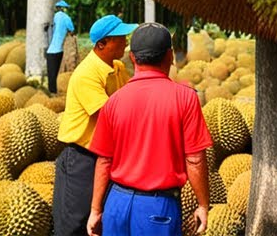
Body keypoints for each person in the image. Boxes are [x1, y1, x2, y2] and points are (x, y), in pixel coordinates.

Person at [88, 23, 212, 236]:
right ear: (170, 56)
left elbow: (104, 161)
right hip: (157, 207)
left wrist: (96, 210)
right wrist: (202, 204)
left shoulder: (114, 101)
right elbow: (195, 159)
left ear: (133, 58)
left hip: (116, 203)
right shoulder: (185, 98)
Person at [52, 14, 137, 236]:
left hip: (107, 155)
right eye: (120, 37)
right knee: (75, 222)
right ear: (102, 44)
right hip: (82, 157)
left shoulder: (118, 67)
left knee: (100, 221)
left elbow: (130, 99)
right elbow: (111, 116)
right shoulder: (86, 75)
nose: (126, 41)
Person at [46, 0, 75, 94]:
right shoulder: (66, 18)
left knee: (51, 74)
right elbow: (72, 30)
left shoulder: (53, 18)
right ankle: (55, 92)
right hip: (59, 50)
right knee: (57, 73)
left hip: (50, 50)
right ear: (62, 8)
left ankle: (52, 92)